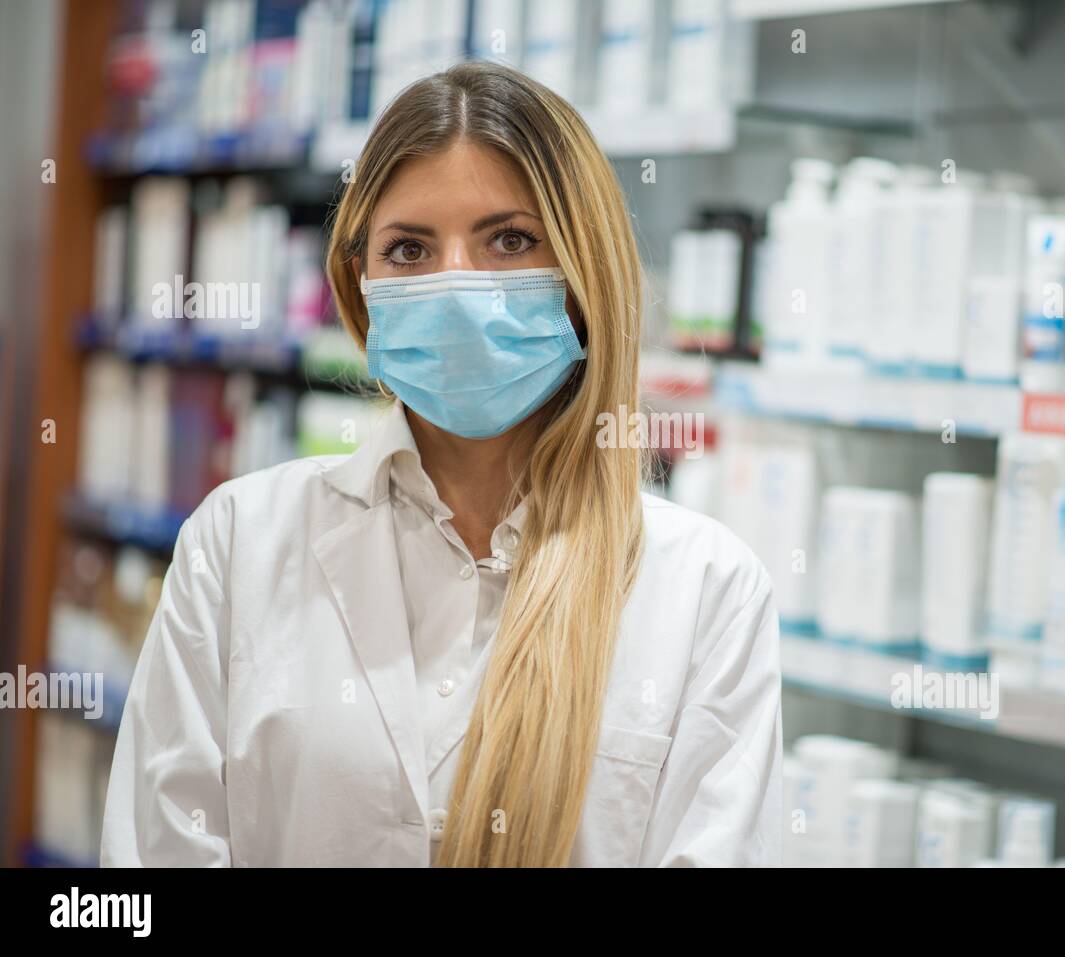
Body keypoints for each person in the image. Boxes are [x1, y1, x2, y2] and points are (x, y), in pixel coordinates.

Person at [101, 60, 782, 867]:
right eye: (410, 249)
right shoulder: (238, 541)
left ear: (583, 275)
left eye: (510, 240)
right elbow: (156, 854)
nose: (456, 283)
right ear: (360, 284)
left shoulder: (705, 590)